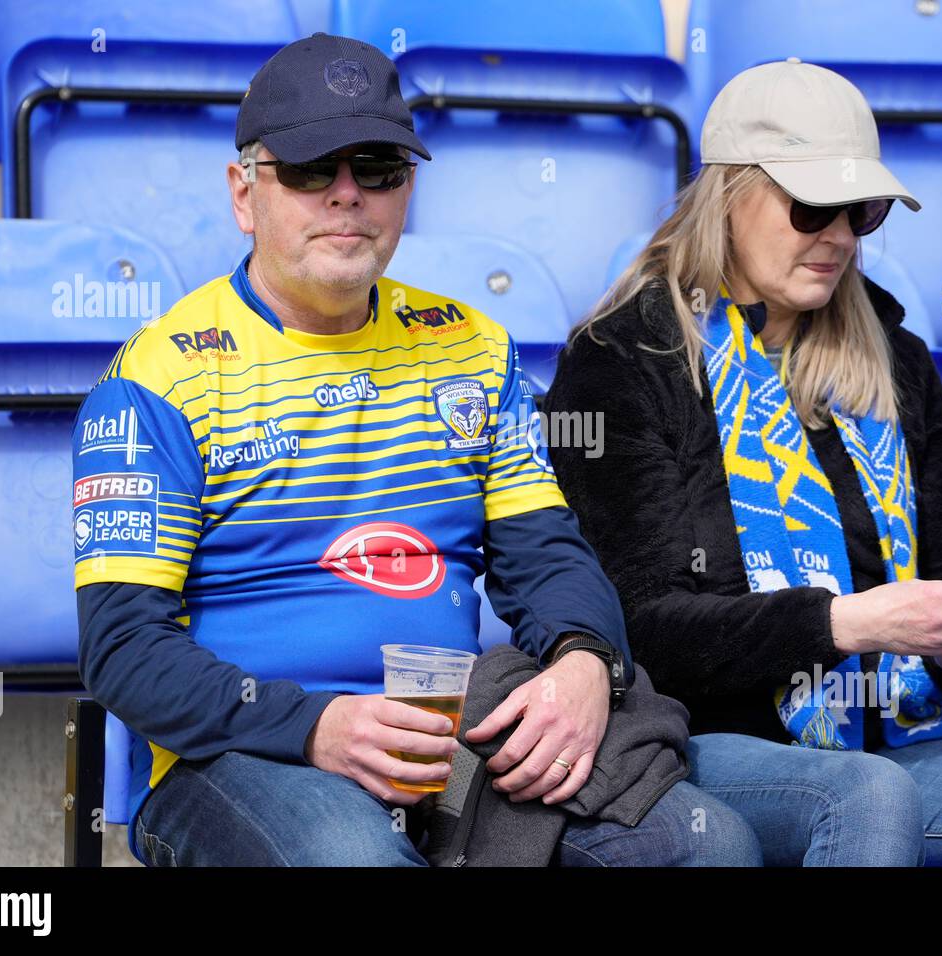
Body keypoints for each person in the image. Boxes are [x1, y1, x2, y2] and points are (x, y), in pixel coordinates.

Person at [71, 33, 759, 867]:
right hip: (239, 756)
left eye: (380, 170)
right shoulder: (157, 377)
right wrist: (315, 725)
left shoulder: (469, 347)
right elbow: (122, 651)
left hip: (447, 737)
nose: (348, 196)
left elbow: (545, 556)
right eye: (312, 168)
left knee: (705, 846)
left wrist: (586, 662)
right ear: (244, 193)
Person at [545, 59, 942, 866]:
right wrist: (849, 623)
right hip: (702, 739)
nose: (838, 235)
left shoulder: (900, 362)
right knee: (867, 795)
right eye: (813, 207)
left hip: (897, 736)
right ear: (730, 193)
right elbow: (639, 632)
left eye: (862, 211)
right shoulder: (624, 358)